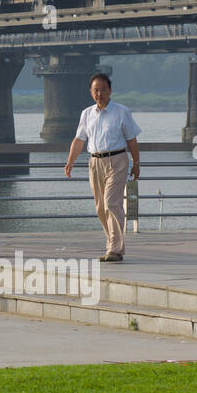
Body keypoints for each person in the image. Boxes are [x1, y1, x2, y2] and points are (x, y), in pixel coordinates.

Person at [63, 73, 141, 262]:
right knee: (100, 207)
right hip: (95, 162)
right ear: (91, 92)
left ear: (110, 90)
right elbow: (79, 139)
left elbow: (132, 139)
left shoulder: (121, 112)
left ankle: (115, 248)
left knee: (111, 203)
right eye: (96, 90)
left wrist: (136, 163)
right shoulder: (87, 114)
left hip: (117, 160)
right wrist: (70, 160)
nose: (100, 93)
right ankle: (112, 243)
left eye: (103, 89)